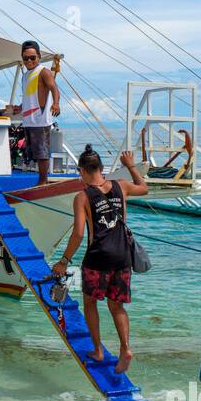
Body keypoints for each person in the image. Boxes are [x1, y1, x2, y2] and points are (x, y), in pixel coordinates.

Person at [52, 146, 148, 373]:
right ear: (102, 168)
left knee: (90, 303)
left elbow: (77, 234)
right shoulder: (121, 186)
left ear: (83, 171)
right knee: (117, 306)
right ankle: (125, 349)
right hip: (123, 256)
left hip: (98, 257)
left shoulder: (82, 197)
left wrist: (64, 261)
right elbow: (144, 188)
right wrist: (130, 166)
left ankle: (98, 350)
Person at [17, 40, 61, 185]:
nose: (29, 61)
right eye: (25, 58)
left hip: (41, 120)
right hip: (29, 120)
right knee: (33, 151)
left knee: (42, 153)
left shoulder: (43, 72)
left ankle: (43, 181)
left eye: (32, 57)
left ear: (39, 57)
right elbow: (29, 96)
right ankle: (39, 180)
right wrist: (20, 107)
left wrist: (56, 103)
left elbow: (54, 88)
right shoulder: (25, 76)